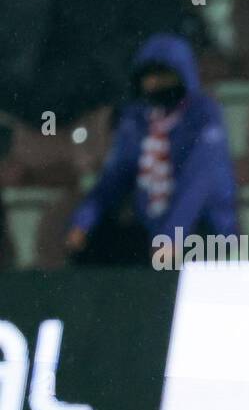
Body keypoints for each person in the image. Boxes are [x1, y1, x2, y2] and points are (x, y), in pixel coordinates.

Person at [66, 32, 237, 268]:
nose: (156, 84)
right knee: (94, 247)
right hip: (152, 227)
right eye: (150, 77)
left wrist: (172, 236)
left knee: (182, 256)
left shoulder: (203, 116)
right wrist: (84, 221)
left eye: (165, 76)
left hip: (204, 228)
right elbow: (115, 177)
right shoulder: (137, 119)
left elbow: (198, 183)